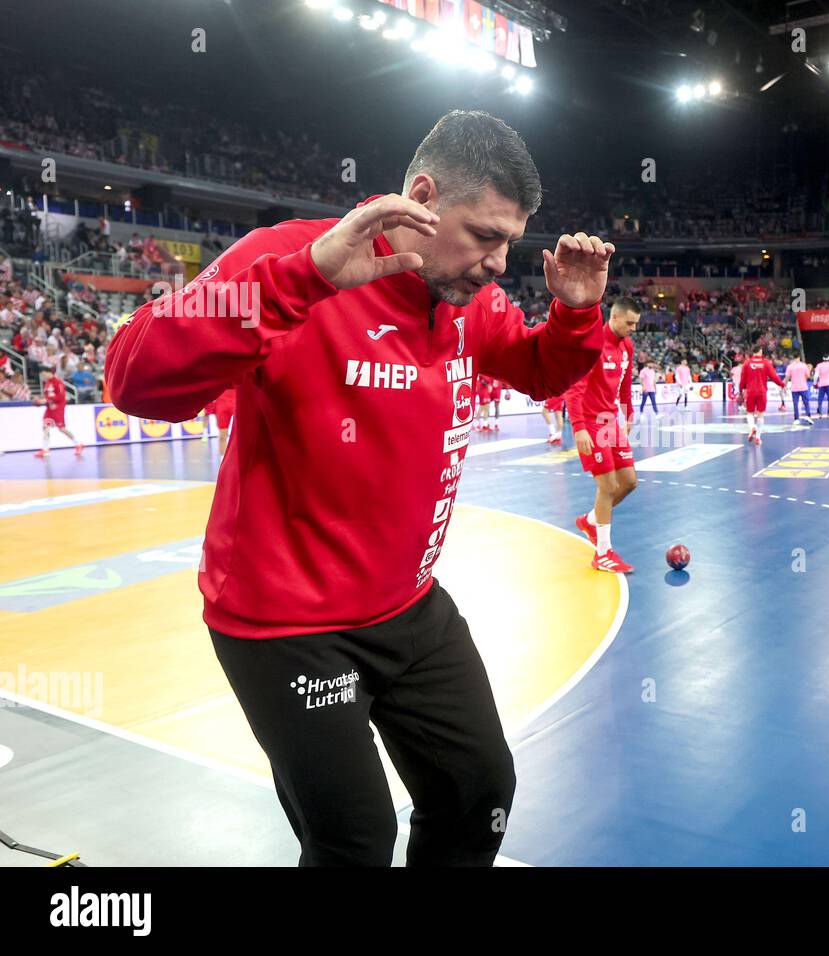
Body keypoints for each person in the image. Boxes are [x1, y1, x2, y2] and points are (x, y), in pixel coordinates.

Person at [104, 110, 615, 866]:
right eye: (484, 236)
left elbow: (541, 373)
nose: (500, 264)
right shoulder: (287, 258)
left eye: (510, 242)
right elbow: (133, 380)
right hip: (289, 629)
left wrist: (575, 313)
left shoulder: (471, 302)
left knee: (480, 792)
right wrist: (299, 283)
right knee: (354, 842)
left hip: (409, 608)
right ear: (421, 195)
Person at [569, 297, 640, 573]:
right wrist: (579, 428)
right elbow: (574, 387)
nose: (633, 328)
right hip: (591, 421)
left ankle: (590, 520)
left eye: (636, 324)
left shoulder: (627, 346)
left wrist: (628, 413)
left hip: (611, 421)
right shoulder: (592, 344)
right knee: (608, 486)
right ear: (615, 317)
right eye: (630, 323)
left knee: (630, 482)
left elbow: (625, 384)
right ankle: (603, 553)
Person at [33, 370, 84, 458]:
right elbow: (47, 396)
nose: (43, 377)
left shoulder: (58, 382)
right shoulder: (47, 383)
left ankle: (78, 444)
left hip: (58, 409)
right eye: (42, 375)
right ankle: (45, 450)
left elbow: (61, 396)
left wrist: (47, 400)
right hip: (49, 408)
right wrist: (39, 400)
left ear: (50, 373)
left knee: (62, 428)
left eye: (44, 374)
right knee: (45, 427)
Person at [739, 346, 785, 445]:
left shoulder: (747, 363)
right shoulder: (765, 362)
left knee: (749, 413)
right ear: (760, 351)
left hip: (750, 392)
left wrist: (740, 390)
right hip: (762, 392)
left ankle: (752, 428)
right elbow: (774, 377)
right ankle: (758, 438)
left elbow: (742, 379)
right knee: (760, 415)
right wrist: (782, 384)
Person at [784, 353, 812, 425]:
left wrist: (784, 386)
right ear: (799, 357)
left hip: (794, 388)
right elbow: (808, 376)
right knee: (806, 403)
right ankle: (808, 416)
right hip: (803, 387)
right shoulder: (804, 365)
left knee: (795, 404)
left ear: (793, 357)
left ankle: (796, 419)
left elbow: (787, 377)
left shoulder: (790, 366)